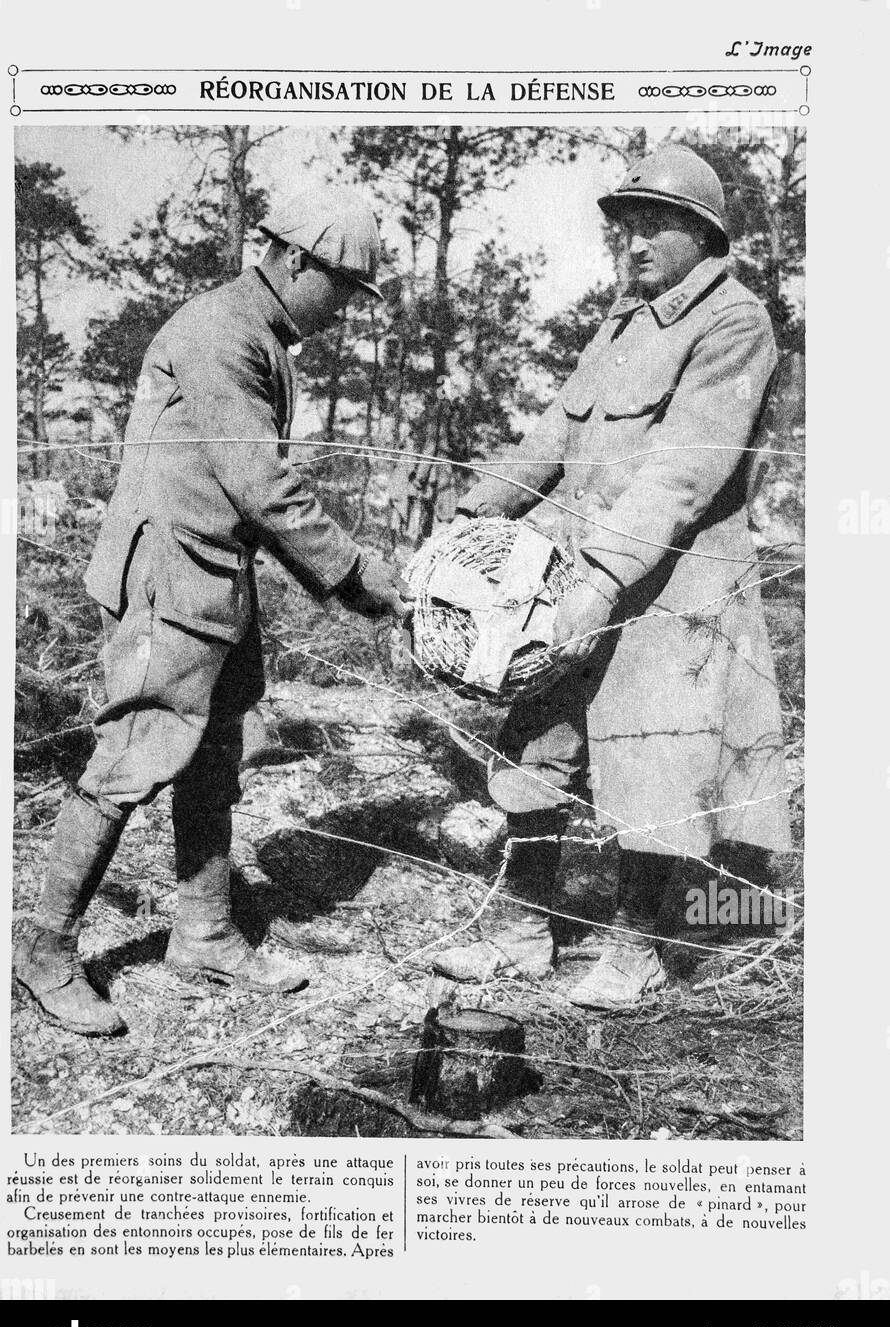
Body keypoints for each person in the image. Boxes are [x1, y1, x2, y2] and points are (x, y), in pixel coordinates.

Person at [15, 189, 411, 1036]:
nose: (344, 310)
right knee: (132, 758)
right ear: (296, 260)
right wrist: (353, 573)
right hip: (171, 577)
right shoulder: (222, 330)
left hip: (215, 579)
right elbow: (260, 482)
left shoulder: (261, 331)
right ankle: (44, 950)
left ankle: (203, 931)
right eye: (342, 287)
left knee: (214, 755)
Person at [433, 144, 792, 1008]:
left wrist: (594, 582)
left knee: (653, 771)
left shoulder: (735, 323)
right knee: (532, 748)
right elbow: (554, 436)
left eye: (652, 226)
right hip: (582, 570)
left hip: (673, 588)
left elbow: (679, 476)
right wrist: (477, 511)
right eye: (623, 227)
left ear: (703, 234)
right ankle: (522, 932)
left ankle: (633, 948)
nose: (631, 243)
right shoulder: (622, 323)